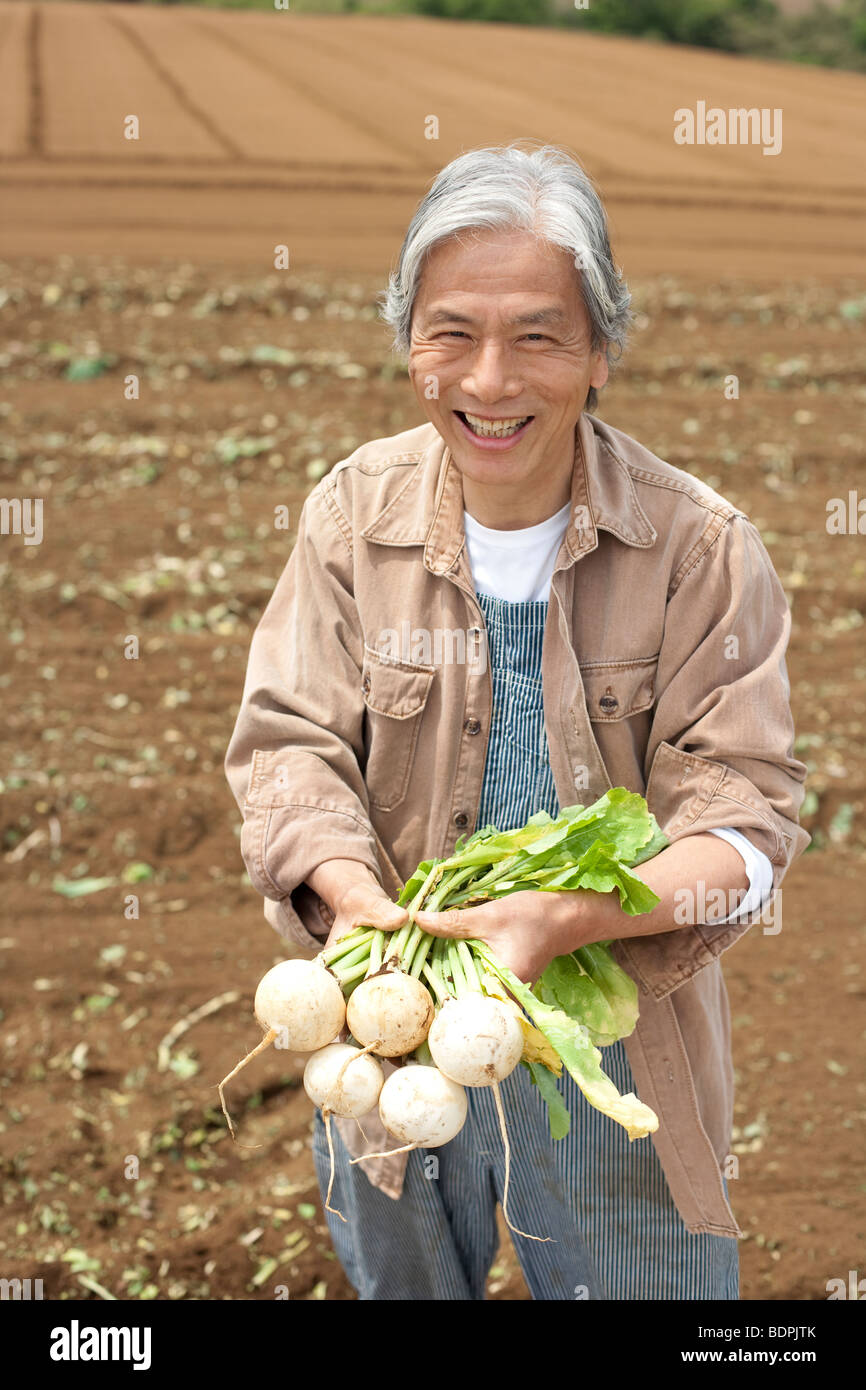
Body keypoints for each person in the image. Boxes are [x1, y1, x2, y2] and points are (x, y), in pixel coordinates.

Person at [225, 142, 808, 1301]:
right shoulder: (352, 516)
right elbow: (291, 743)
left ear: (599, 352)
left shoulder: (697, 548)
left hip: (608, 1035)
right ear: (408, 343)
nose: (489, 380)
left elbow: (744, 827)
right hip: (386, 1034)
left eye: (537, 335)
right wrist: (354, 904)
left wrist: (568, 916)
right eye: (451, 331)